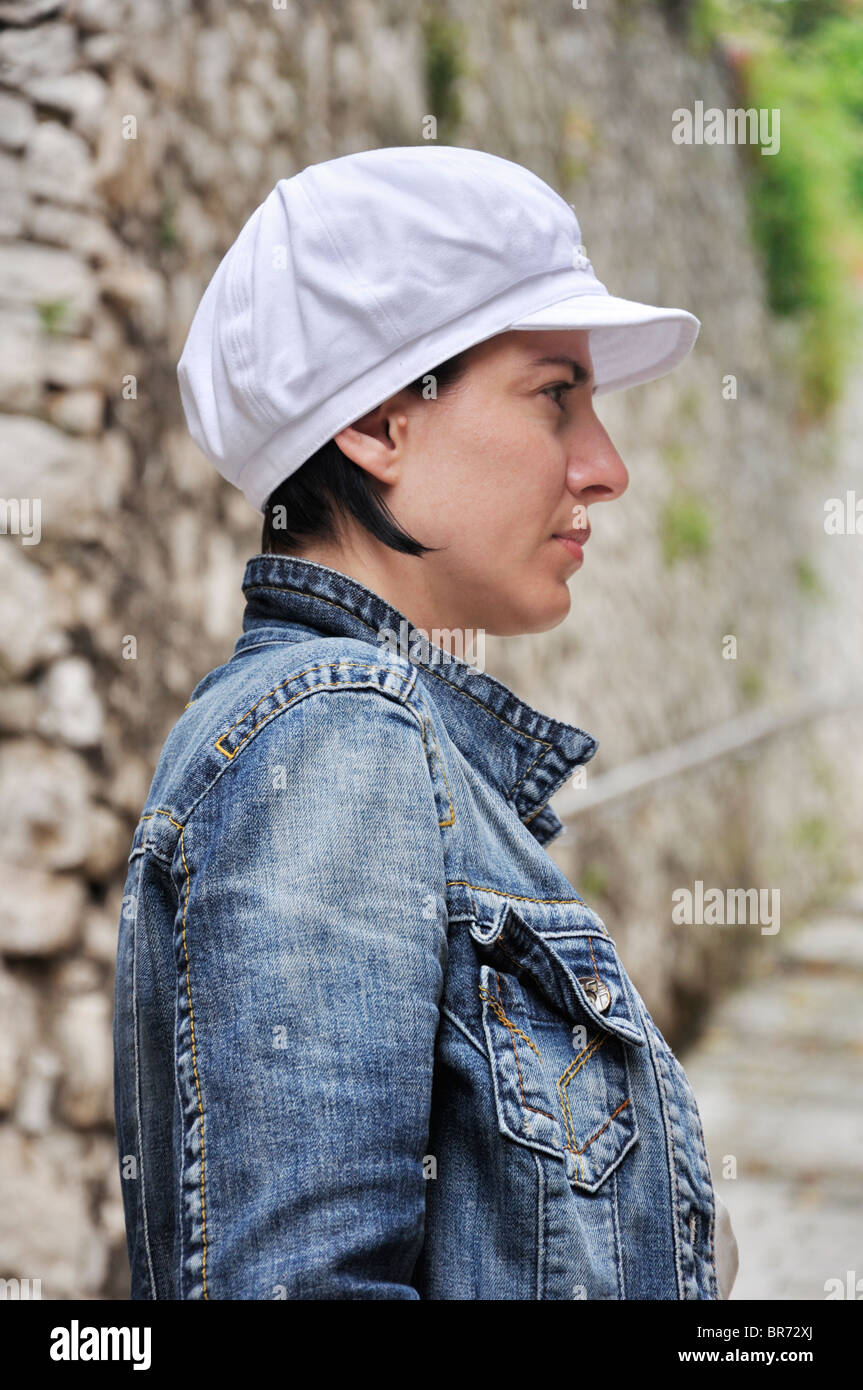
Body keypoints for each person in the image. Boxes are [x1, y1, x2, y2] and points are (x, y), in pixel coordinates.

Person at [113, 144, 738, 1300]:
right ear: (381, 423)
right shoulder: (334, 736)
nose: (605, 468)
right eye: (556, 395)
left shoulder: (369, 738)